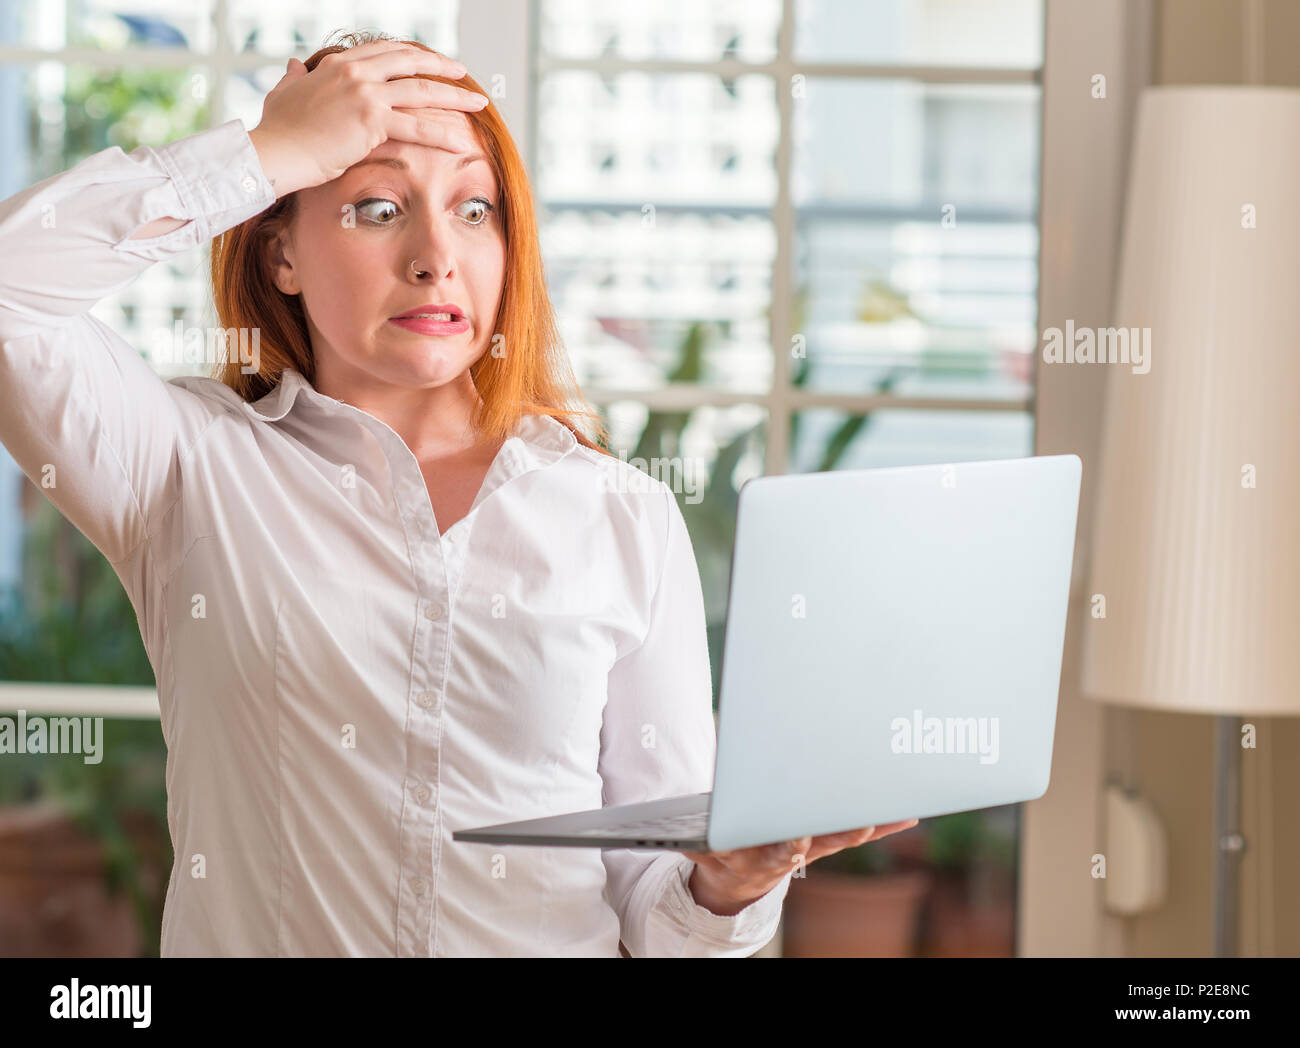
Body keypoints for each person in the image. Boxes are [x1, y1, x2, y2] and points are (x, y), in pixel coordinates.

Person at [0, 29, 914, 957]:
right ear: (281, 255)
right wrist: (263, 154)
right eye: (376, 207)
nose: (437, 254)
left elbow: (660, 912)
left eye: (475, 209)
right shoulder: (183, 466)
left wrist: (725, 888)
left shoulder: (622, 517)